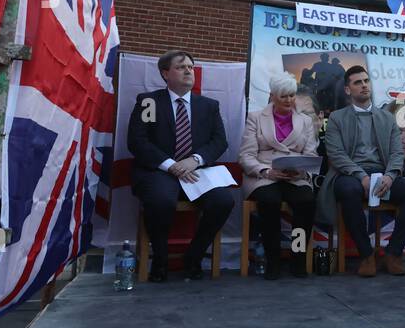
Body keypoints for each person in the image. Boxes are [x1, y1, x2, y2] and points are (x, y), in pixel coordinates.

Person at [127, 50, 236, 282]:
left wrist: (195, 160)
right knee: (161, 201)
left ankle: (193, 256)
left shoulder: (209, 106)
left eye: (190, 66)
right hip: (158, 171)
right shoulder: (150, 102)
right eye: (181, 66)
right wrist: (171, 165)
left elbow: (219, 141)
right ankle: (160, 259)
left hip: (196, 171)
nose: (188, 70)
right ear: (165, 74)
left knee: (224, 201)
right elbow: (138, 141)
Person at [318, 66, 405, 276]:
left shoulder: (387, 118)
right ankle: (366, 254)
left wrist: (390, 175)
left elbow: (397, 153)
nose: (364, 86)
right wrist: (361, 176)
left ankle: (393, 253)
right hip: (350, 174)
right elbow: (336, 154)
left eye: (366, 81)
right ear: (348, 90)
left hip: (382, 174)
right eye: (357, 82)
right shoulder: (336, 118)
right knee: (348, 192)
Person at [240, 72, 318, 280]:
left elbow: (310, 154)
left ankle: (298, 257)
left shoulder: (305, 121)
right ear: (272, 96)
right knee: (269, 201)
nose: (289, 100)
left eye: (292, 95)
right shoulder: (255, 117)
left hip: (295, 175)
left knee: (306, 202)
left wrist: (300, 170)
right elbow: (246, 155)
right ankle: (272, 260)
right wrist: (266, 171)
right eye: (284, 96)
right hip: (264, 175)